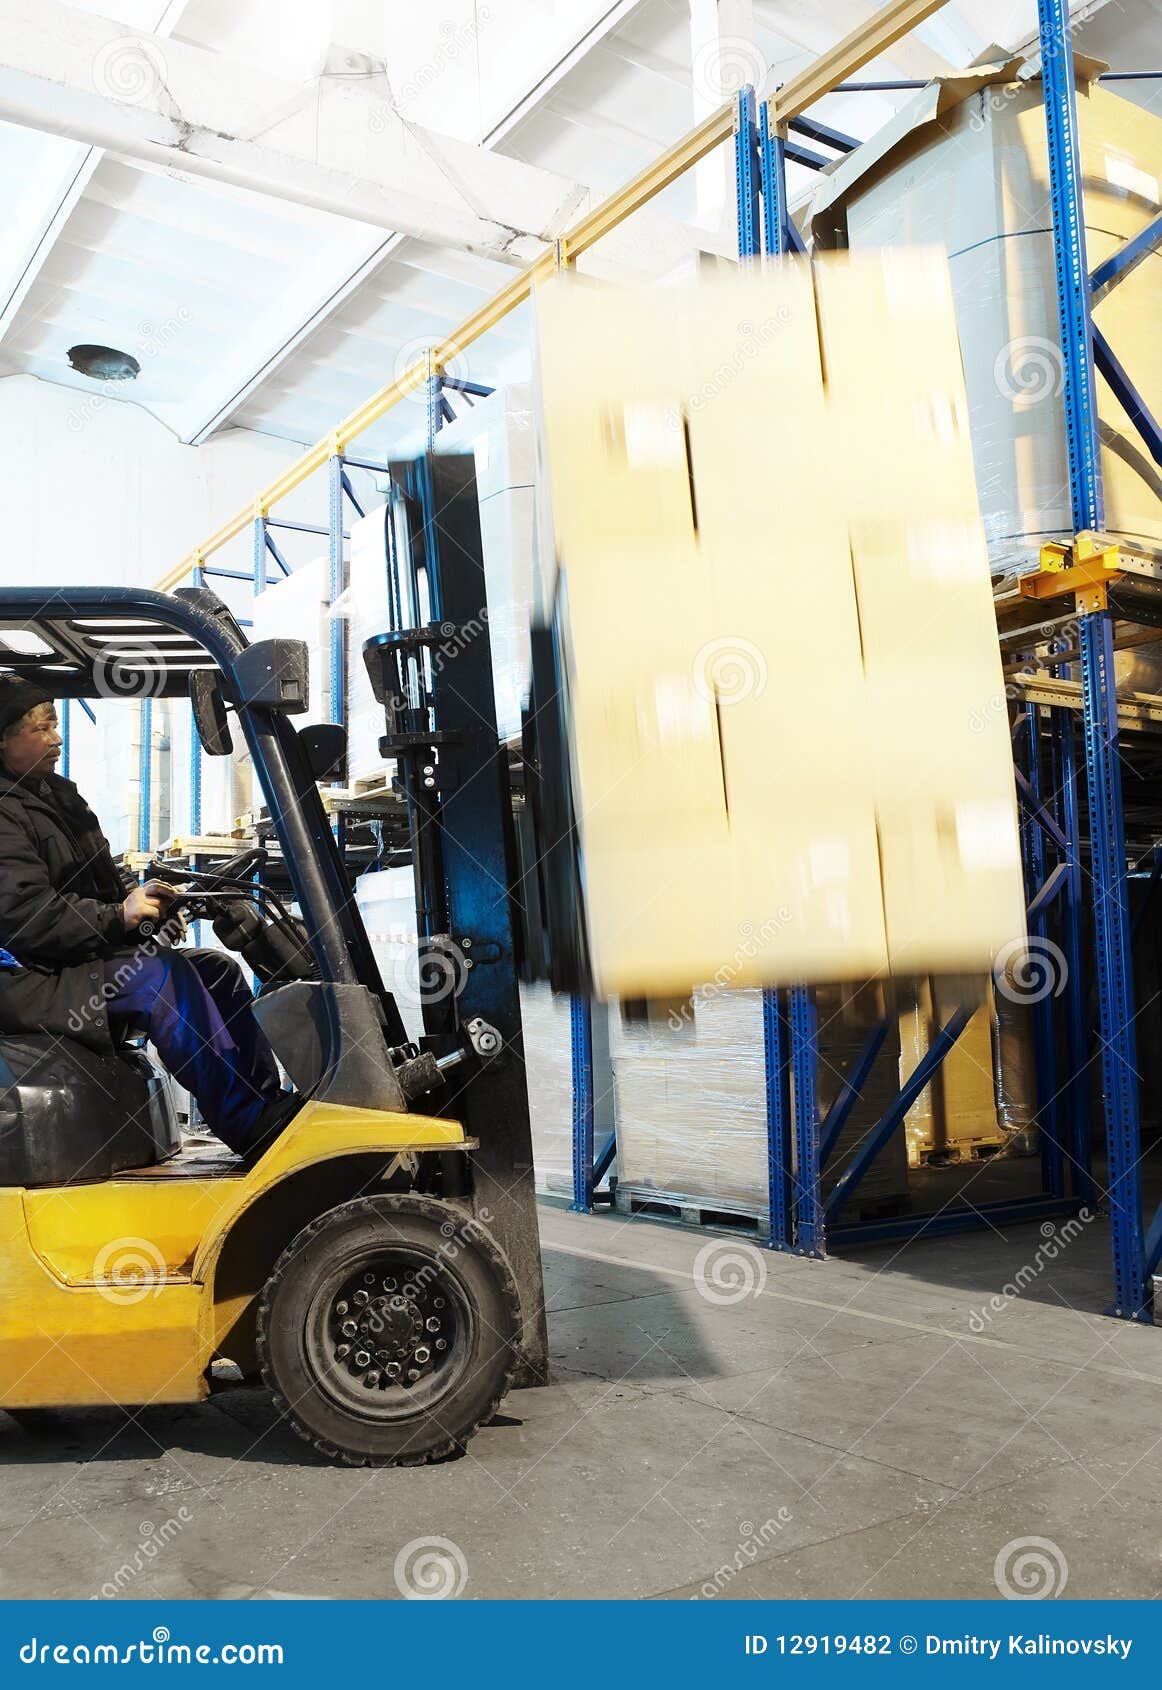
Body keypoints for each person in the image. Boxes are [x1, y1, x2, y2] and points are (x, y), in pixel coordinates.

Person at [0, 676, 298, 1161]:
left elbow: (98, 878)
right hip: (28, 979)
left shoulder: (55, 796)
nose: (57, 737)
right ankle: (249, 1126)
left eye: (56, 723)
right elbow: (27, 917)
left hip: (70, 961)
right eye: (42, 727)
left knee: (215, 969)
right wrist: (118, 915)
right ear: (4, 739)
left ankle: (266, 1104)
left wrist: (146, 909)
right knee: (156, 979)